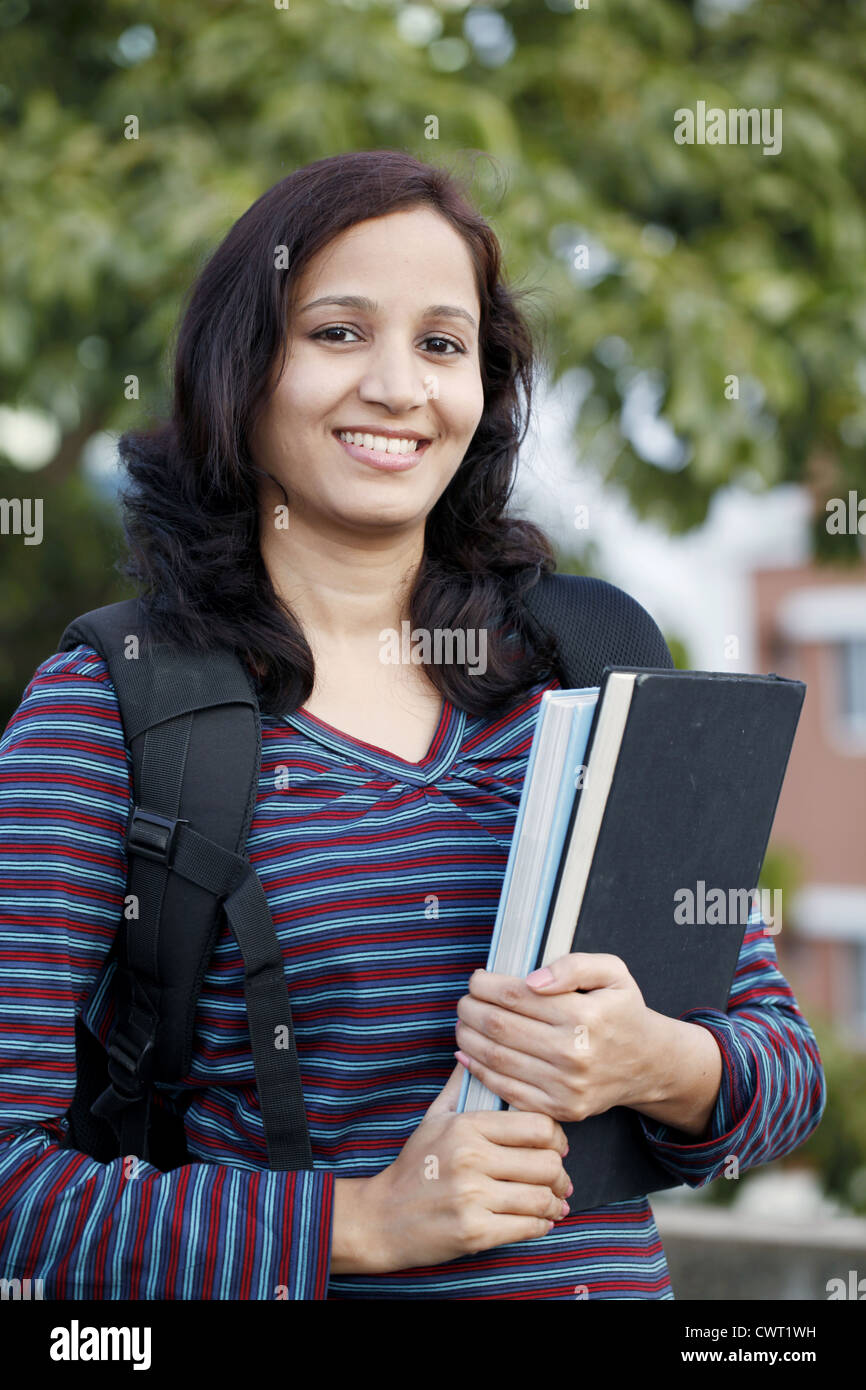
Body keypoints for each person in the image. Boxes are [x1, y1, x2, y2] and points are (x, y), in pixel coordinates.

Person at [0, 150, 826, 1299]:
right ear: (243, 366)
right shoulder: (113, 706)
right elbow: (11, 1184)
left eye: (441, 345)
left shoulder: (587, 665)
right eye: (338, 332)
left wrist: (661, 1061)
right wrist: (361, 1223)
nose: (398, 387)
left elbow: (780, 1072)